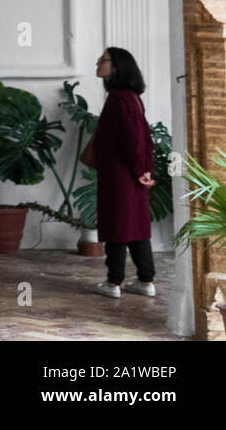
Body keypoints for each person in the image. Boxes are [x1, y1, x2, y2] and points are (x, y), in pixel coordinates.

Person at [91, 47, 157, 298]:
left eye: (103, 60)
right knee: (136, 226)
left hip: (120, 174)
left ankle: (113, 283)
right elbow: (145, 138)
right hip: (132, 173)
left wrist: (140, 169)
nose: (98, 63)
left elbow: (132, 139)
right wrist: (145, 170)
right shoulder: (132, 98)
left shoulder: (119, 98)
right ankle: (146, 281)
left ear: (116, 67)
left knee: (117, 225)